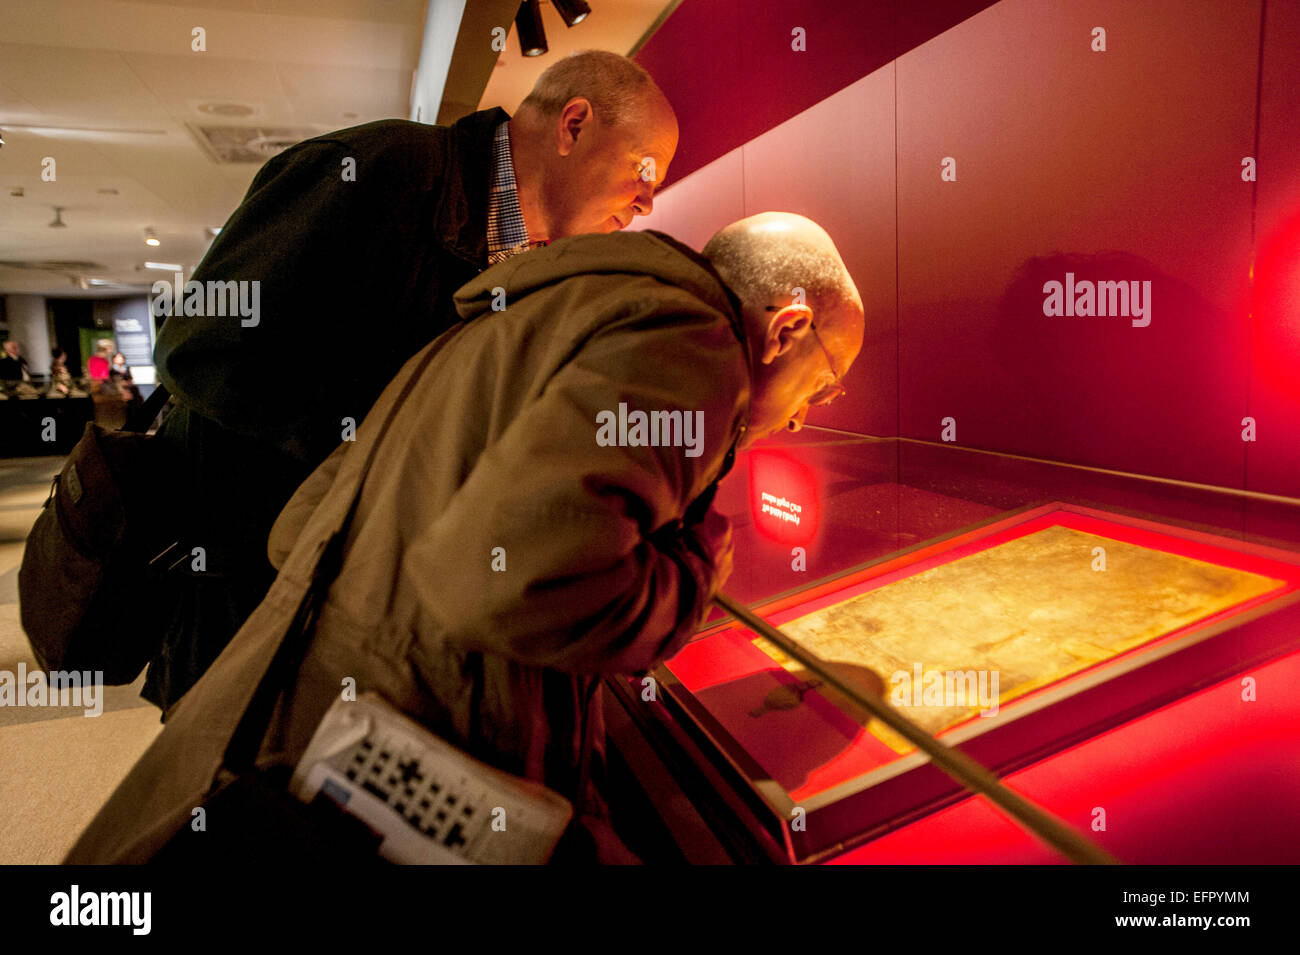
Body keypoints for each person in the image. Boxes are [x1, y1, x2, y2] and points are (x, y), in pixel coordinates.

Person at [64, 212, 864, 864]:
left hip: (268, 726)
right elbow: (522, 581)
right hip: (388, 769)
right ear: (787, 327)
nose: (803, 414)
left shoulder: (524, 309)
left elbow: (300, 524)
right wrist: (690, 574)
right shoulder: (693, 342)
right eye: (823, 384)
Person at [142, 50, 679, 714]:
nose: (648, 200)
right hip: (244, 589)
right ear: (573, 124)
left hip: (352, 610)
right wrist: (375, 460)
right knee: (218, 795)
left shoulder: (532, 266)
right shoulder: (376, 170)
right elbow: (201, 347)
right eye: (644, 170)